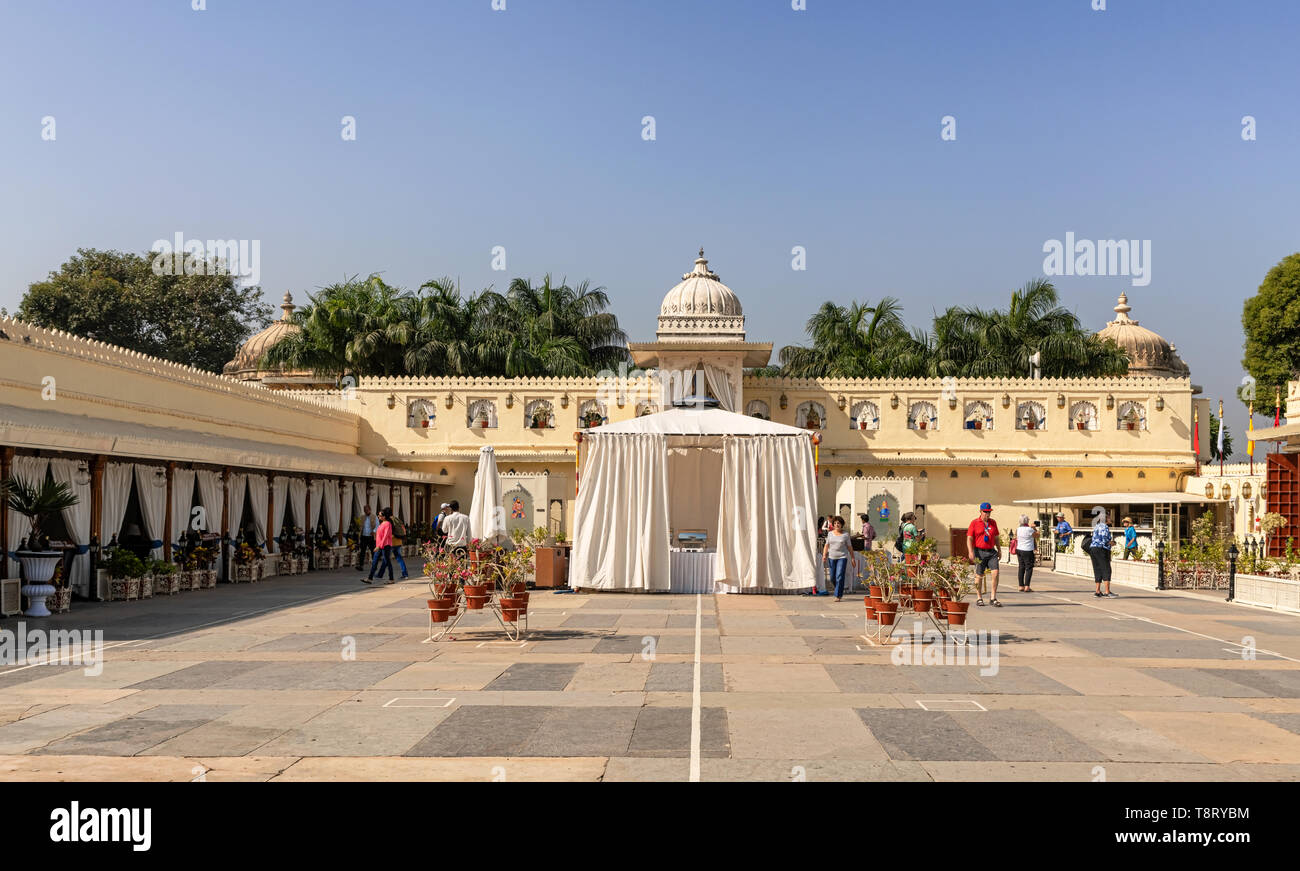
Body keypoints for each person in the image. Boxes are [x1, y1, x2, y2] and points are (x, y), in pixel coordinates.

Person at [966, 502, 1002, 607]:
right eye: (985, 512)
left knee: (995, 573)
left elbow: (996, 537)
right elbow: (969, 538)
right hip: (979, 551)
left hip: (991, 552)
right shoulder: (974, 522)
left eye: (989, 512)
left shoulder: (993, 523)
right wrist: (970, 551)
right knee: (979, 575)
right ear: (980, 511)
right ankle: (979, 598)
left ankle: (993, 598)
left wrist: (999, 549)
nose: (987, 514)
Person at [822, 516, 858, 602]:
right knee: (832, 578)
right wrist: (824, 555)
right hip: (831, 557)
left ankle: (838, 595)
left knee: (839, 576)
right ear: (833, 525)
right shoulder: (830, 534)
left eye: (838, 523)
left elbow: (849, 547)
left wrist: (853, 558)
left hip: (842, 557)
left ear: (841, 524)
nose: (837, 525)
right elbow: (826, 545)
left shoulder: (845, 534)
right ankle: (839, 587)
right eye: (835, 523)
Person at [363, 508, 395, 584]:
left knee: (387, 562)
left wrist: (379, 546)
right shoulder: (382, 523)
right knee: (374, 561)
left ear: (384, 516)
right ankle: (370, 578)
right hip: (380, 545)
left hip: (385, 545)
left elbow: (385, 536)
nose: (378, 516)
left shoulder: (387, 524)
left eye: (380, 515)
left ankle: (391, 579)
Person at [1090, 511, 1115, 597]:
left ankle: (1097, 591)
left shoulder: (1096, 526)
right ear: (1105, 519)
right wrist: (1112, 543)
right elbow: (1104, 540)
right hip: (1101, 549)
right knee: (1106, 569)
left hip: (1093, 548)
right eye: (1109, 517)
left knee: (1097, 568)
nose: (1110, 519)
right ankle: (1107, 591)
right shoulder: (1104, 527)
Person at [1015, 514, 1038, 592]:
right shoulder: (1029, 529)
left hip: (1019, 549)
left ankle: (1021, 585)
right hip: (1027, 550)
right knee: (1029, 568)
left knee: (1021, 567)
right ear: (1026, 521)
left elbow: (1015, 537)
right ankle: (1027, 586)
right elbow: (1037, 535)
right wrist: (1034, 528)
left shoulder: (1018, 529)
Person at [390, 512, 410, 579]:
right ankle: (405, 574)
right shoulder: (397, 519)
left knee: (386, 559)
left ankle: (379, 574)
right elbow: (403, 529)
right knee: (399, 559)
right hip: (399, 541)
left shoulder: (389, 520)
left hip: (392, 541)